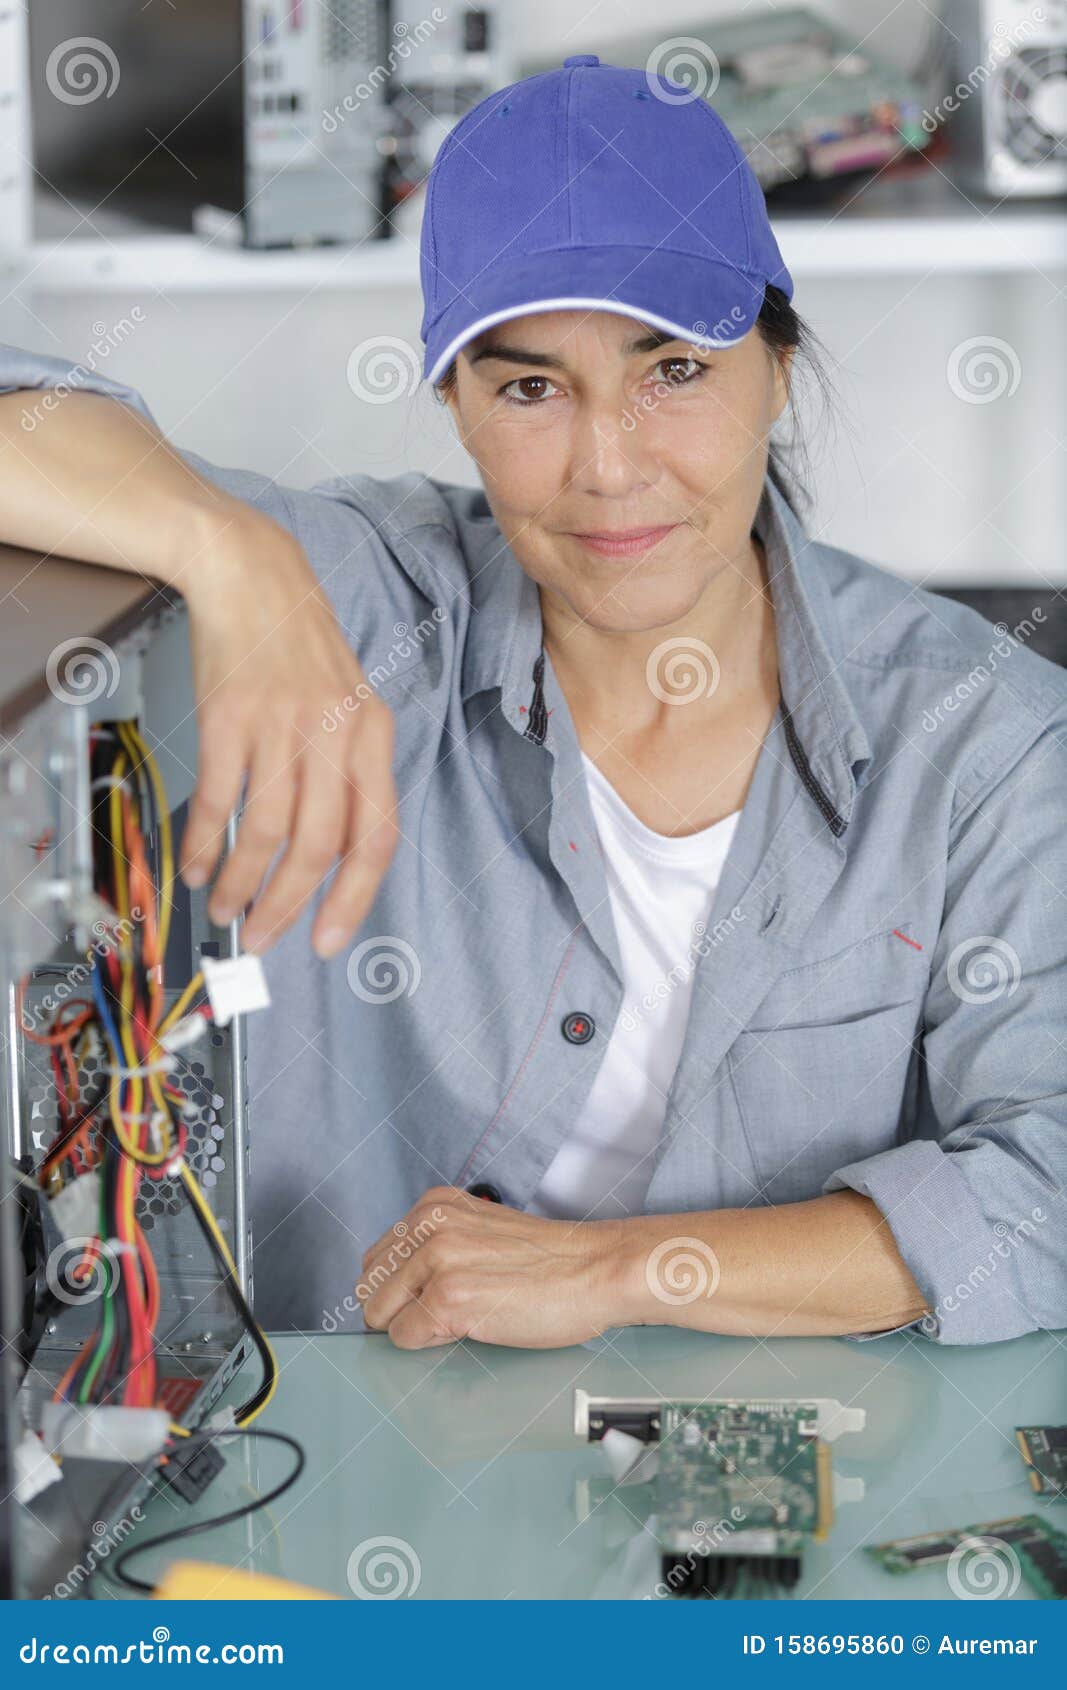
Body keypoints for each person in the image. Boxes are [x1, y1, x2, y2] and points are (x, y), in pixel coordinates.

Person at [1, 55, 1064, 1349]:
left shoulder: (986, 741)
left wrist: (618, 1271)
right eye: (529, 388)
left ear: (779, 368)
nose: (609, 467)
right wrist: (229, 555)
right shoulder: (372, 605)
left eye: (675, 370)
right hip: (355, 1454)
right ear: (453, 403)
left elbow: (1050, 1188)